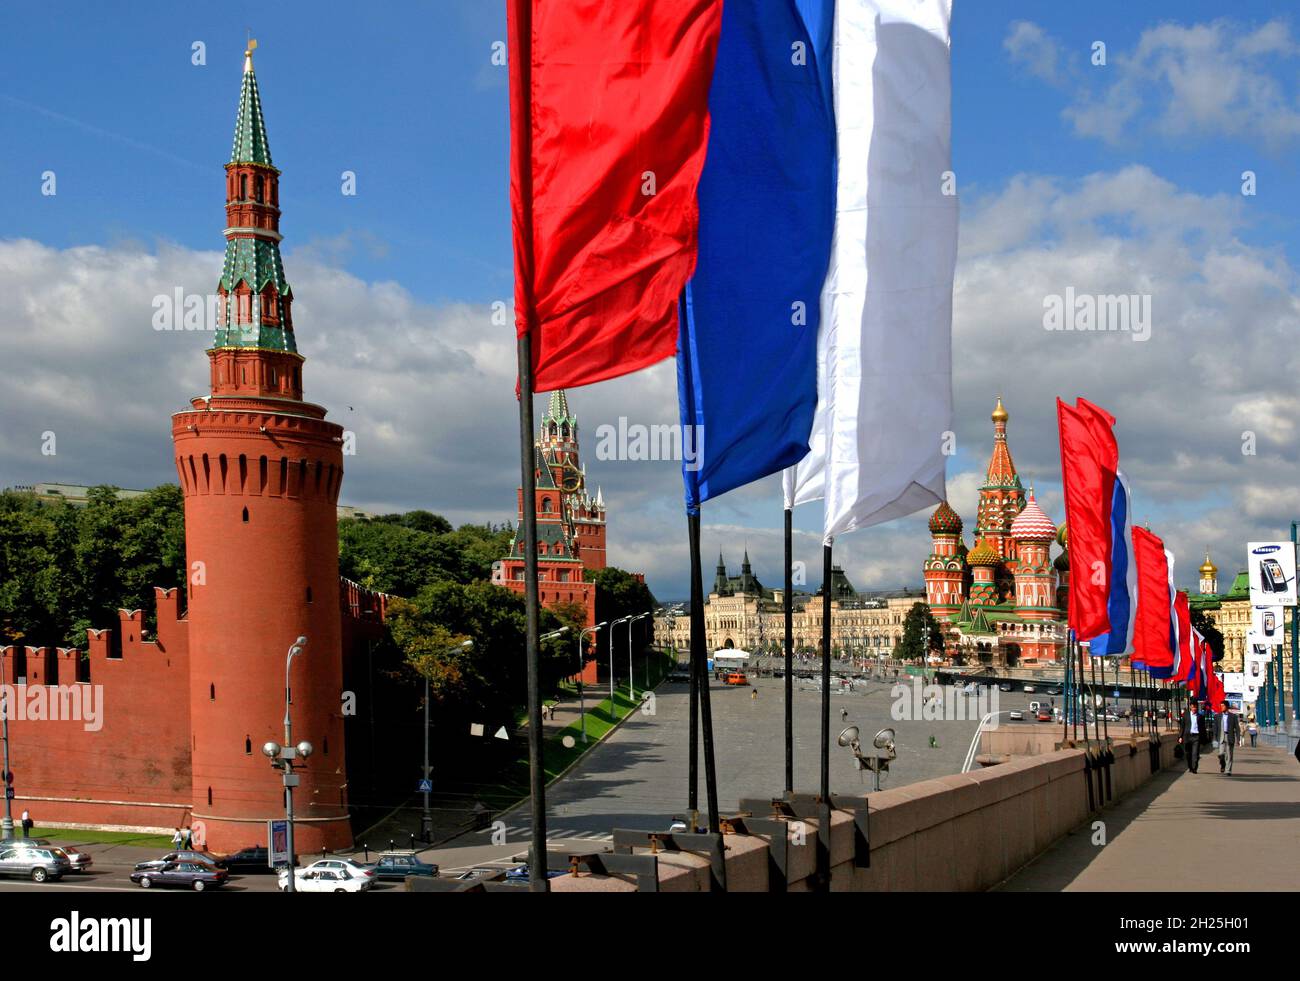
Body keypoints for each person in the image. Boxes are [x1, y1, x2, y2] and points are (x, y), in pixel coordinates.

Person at [1178, 698, 1209, 773]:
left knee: (1195, 753)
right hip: (1187, 736)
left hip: (1196, 737)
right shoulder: (1186, 715)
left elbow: (1203, 728)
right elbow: (1182, 726)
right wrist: (1180, 737)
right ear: (1190, 707)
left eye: (1195, 707)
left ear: (1197, 707)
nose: (1194, 708)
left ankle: (1194, 767)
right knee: (1188, 753)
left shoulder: (1200, 716)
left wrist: (1204, 739)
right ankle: (1190, 766)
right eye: (1192, 707)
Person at [1216, 703, 1239, 775]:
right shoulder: (1217, 716)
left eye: (1223, 706)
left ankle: (1228, 770)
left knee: (1229, 754)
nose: (1221, 707)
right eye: (1221, 706)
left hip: (1230, 736)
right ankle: (1223, 764)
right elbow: (1215, 728)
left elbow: (1237, 728)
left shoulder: (1233, 716)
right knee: (1220, 754)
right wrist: (1214, 738)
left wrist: (1238, 739)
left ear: (1227, 706)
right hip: (1221, 736)